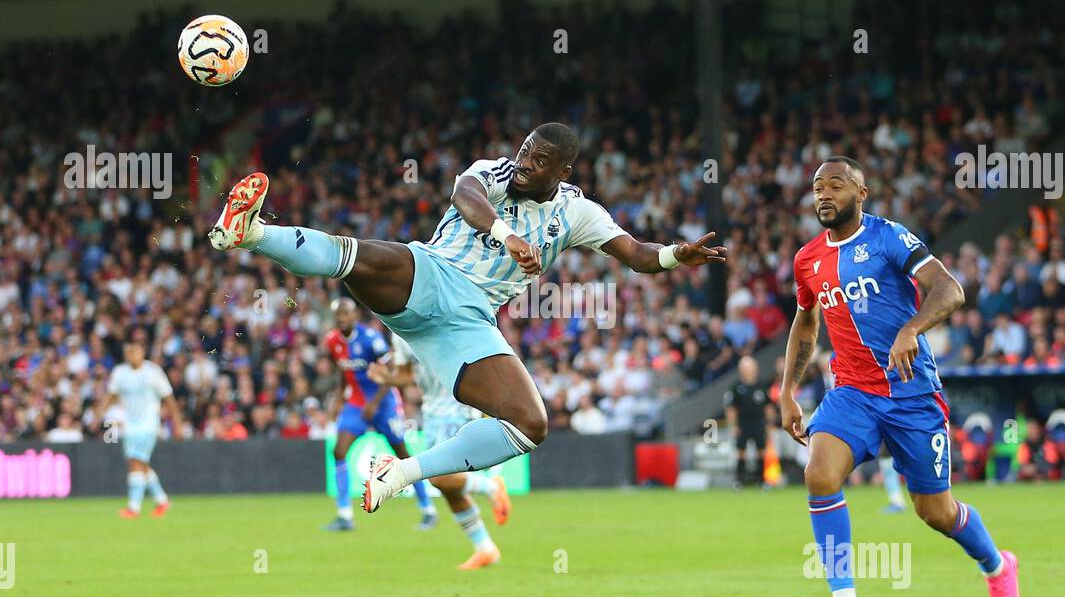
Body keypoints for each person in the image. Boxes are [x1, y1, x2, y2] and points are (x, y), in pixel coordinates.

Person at [207, 123, 726, 512]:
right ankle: (250, 234)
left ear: (563, 172)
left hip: (469, 325)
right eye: (524, 150)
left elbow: (635, 253)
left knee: (530, 423)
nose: (524, 163)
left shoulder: (578, 212)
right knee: (361, 255)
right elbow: (466, 196)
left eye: (539, 159)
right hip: (430, 274)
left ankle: (400, 472)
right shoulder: (495, 173)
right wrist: (506, 235)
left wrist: (676, 255)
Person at [778, 157, 1021, 597]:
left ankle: (997, 565)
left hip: (911, 394)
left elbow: (949, 290)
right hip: (852, 391)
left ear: (861, 193)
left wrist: (911, 329)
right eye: (817, 187)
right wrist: (787, 391)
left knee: (935, 511)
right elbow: (806, 323)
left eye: (836, 185)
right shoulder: (808, 259)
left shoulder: (889, 237)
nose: (824, 194)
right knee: (819, 473)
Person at [368, 334, 513, 570]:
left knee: (439, 476)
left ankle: (490, 487)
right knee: (444, 485)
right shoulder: (399, 332)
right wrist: (388, 378)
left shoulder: (439, 315)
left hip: (458, 406)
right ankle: (485, 548)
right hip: (432, 411)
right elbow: (408, 375)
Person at [319, 297, 434, 532]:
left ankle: (428, 509)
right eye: (338, 315)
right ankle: (344, 515)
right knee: (338, 451)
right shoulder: (332, 341)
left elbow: (390, 372)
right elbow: (344, 372)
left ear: (354, 316)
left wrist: (375, 403)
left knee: (403, 454)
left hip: (384, 403)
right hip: (356, 403)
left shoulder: (371, 338)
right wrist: (340, 399)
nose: (341, 319)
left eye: (345, 314)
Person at [99, 339, 181, 520]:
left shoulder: (153, 372)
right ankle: (162, 500)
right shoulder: (120, 372)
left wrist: (176, 422)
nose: (132, 354)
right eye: (129, 351)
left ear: (142, 352)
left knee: (136, 461)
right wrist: (101, 411)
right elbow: (112, 394)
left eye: (135, 350)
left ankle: (133, 508)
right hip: (131, 425)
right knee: (139, 463)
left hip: (149, 425)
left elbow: (168, 397)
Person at [723, 355, 773, 487]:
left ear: (755, 368)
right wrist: (733, 425)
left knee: (761, 451)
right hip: (742, 424)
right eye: (745, 368)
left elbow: (768, 407)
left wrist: (769, 424)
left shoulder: (762, 385)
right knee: (740, 452)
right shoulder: (736, 387)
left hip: (759, 423)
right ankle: (739, 481)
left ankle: (761, 481)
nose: (748, 370)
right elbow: (731, 409)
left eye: (750, 367)